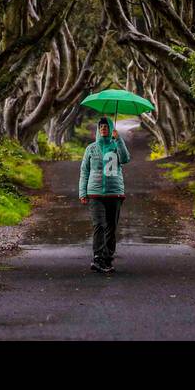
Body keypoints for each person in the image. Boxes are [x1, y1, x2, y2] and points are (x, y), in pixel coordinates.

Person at [78, 116, 131, 273]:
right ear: (98, 129)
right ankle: (98, 258)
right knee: (99, 225)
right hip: (95, 193)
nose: (103, 129)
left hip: (114, 193)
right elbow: (84, 170)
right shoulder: (91, 148)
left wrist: (119, 140)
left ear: (110, 129)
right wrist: (82, 192)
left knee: (111, 227)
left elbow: (125, 159)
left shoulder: (116, 146)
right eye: (100, 127)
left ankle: (107, 258)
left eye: (106, 127)